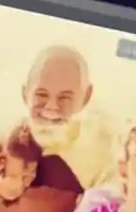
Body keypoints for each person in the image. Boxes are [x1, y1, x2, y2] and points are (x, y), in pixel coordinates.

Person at [23, 45, 118, 192]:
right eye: (41, 94)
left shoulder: (103, 158)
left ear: (86, 97)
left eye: (65, 97)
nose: (52, 107)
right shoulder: (0, 144)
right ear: (25, 93)